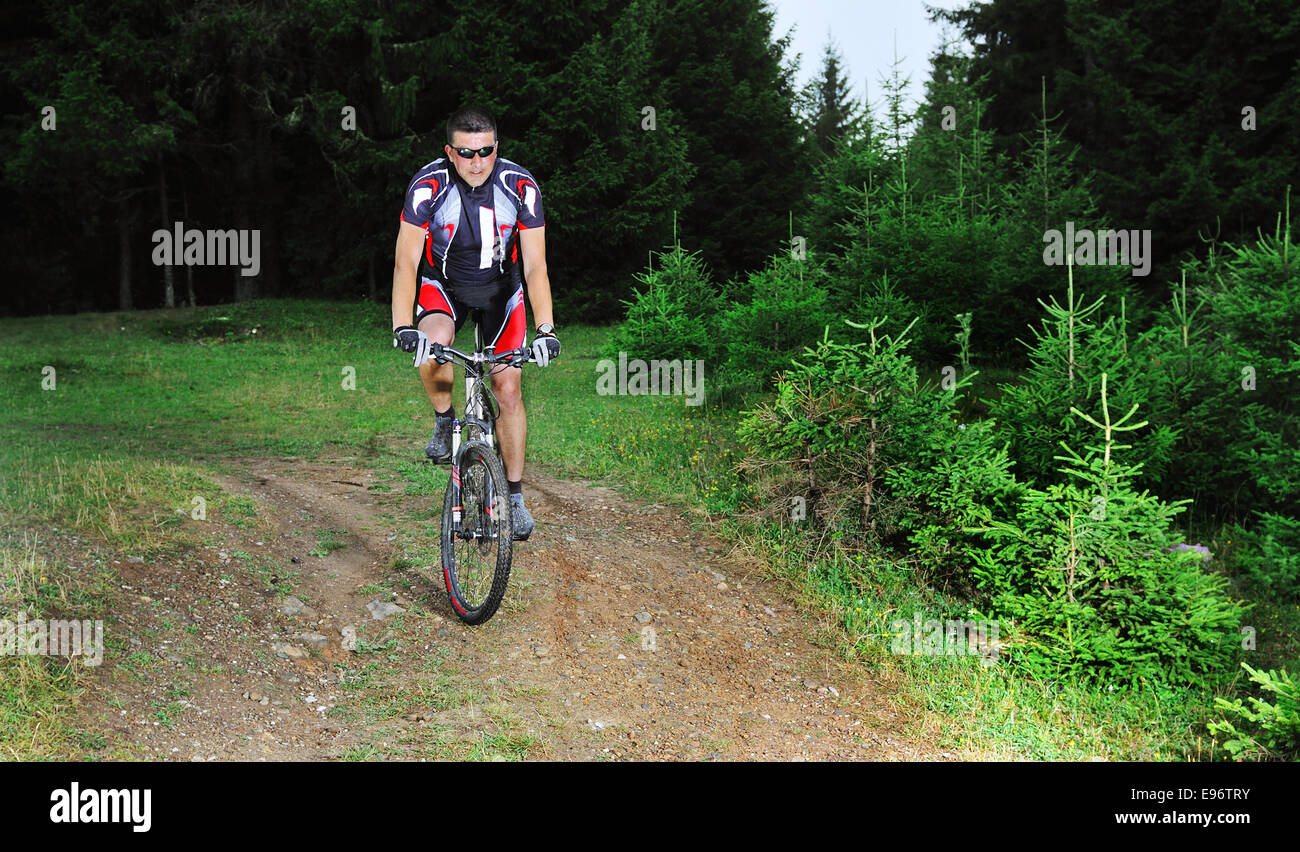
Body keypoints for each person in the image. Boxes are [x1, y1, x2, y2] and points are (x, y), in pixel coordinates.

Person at [390, 106, 559, 540]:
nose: (477, 162)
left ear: (496, 147)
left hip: (501, 292)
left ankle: (515, 497)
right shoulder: (428, 185)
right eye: (466, 153)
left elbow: (537, 265)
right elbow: (406, 260)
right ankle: (445, 418)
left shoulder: (519, 186)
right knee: (433, 345)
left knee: (508, 386)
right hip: (444, 288)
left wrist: (546, 329)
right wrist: (401, 325)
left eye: (485, 151)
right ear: (450, 151)